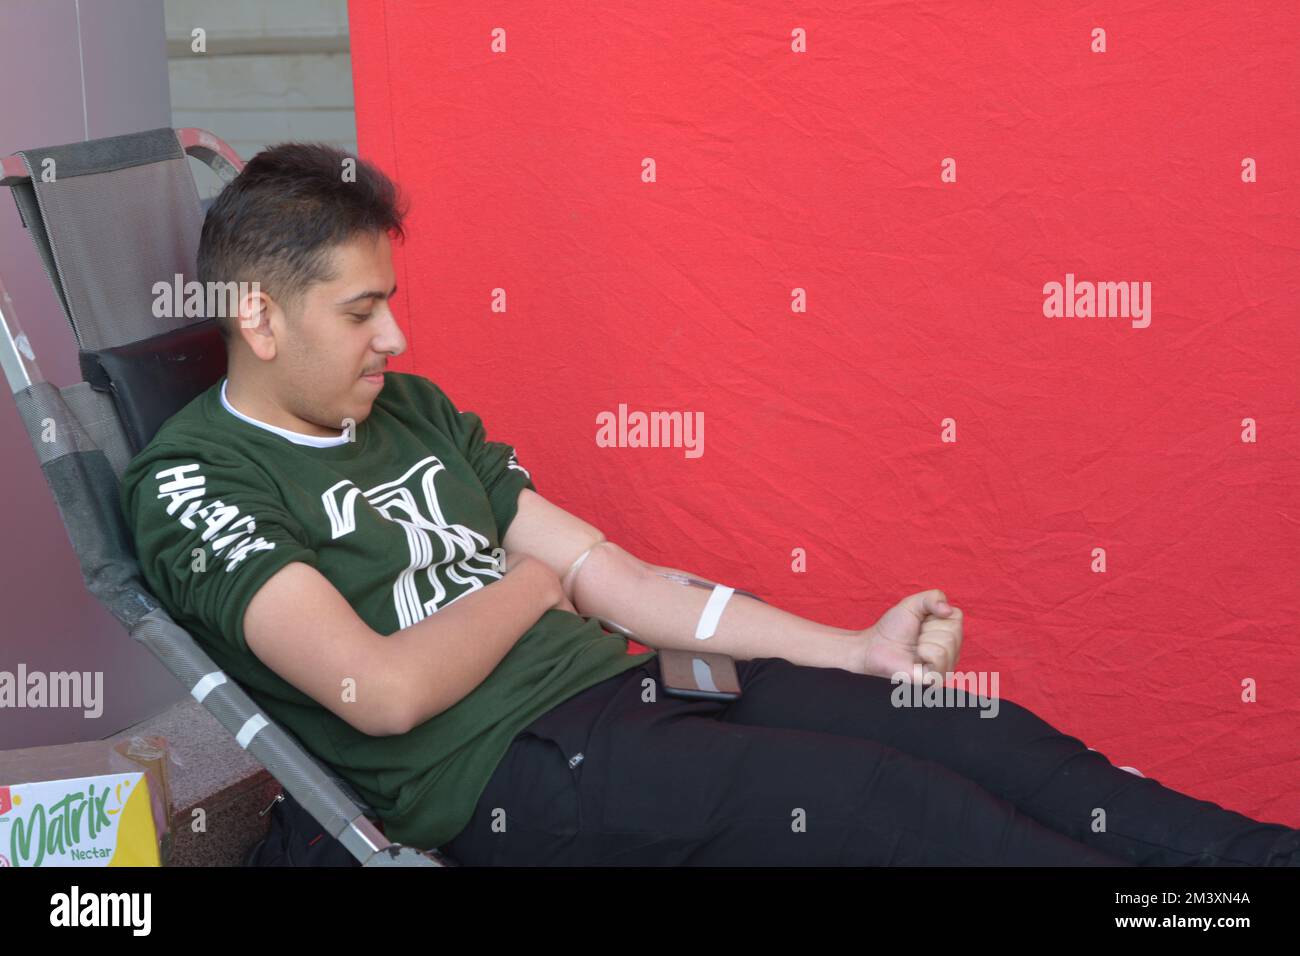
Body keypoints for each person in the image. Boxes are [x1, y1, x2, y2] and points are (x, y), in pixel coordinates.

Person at [119, 143, 1300, 867]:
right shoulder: (193, 482)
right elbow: (374, 693)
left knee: (972, 733)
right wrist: (536, 582)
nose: (396, 336)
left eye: (391, 301)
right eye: (360, 311)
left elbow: (622, 580)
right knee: (893, 809)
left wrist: (855, 647)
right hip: (505, 776)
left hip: (629, 691)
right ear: (258, 317)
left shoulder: (410, 408)